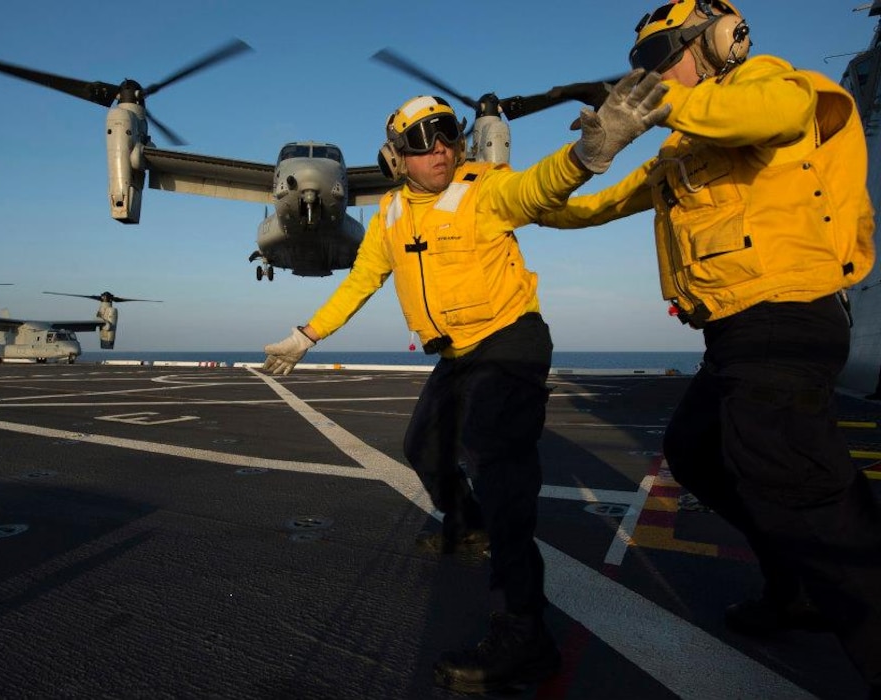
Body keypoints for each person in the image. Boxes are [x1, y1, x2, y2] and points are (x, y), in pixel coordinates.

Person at [261, 73, 670, 694]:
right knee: (422, 450)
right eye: (423, 140)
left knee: (498, 465)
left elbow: (538, 185)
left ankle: (524, 636)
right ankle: (469, 527)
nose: (442, 149)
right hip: (456, 355)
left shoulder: (484, 190)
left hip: (510, 342)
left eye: (449, 134)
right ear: (395, 157)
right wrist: (304, 335)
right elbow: (359, 283)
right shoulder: (392, 213)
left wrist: (588, 156)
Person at [534, 1, 881, 694]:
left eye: (666, 53)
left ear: (720, 38)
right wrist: (564, 168)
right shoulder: (683, 148)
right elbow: (591, 206)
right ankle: (797, 585)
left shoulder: (777, 86)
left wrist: (662, 109)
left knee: (800, 487)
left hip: (788, 313)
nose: (654, 72)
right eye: (645, 64)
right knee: (697, 450)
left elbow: (772, 118)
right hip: (736, 330)